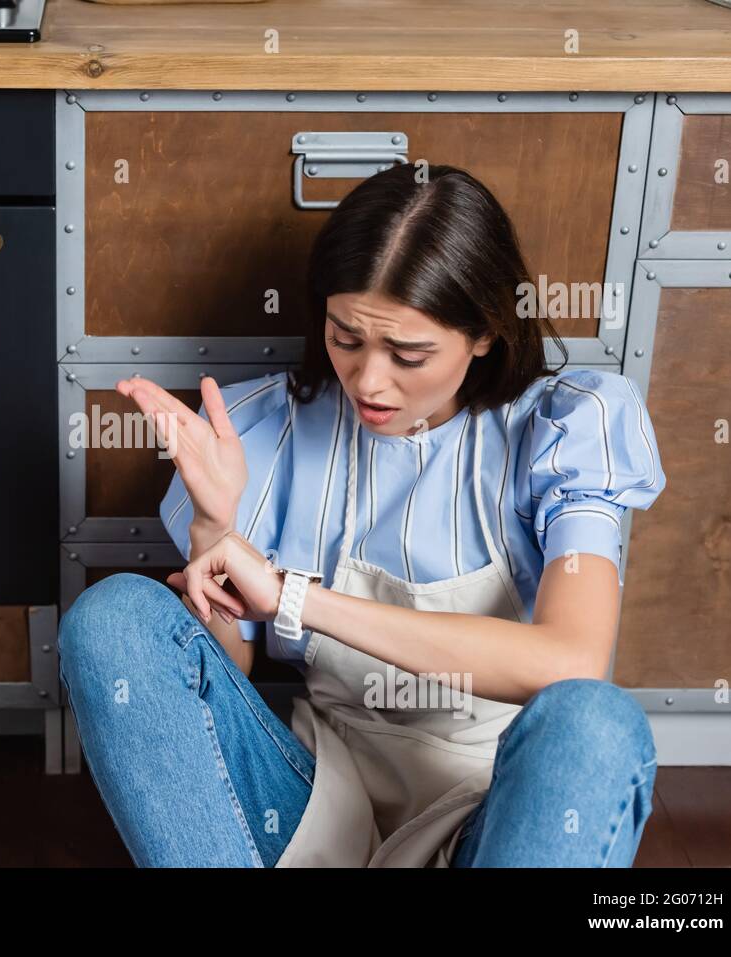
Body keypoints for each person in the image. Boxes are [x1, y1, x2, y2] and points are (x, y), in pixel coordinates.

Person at [58, 163, 666, 867]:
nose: (369, 380)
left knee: (597, 723)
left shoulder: (564, 431)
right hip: (314, 800)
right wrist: (214, 529)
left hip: (493, 816)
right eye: (346, 337)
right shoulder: (266, 429)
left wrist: (295, 597)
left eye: (409, 353)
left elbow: (572, 657)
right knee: (111, 619)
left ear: (485, 333)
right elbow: (222, 680)